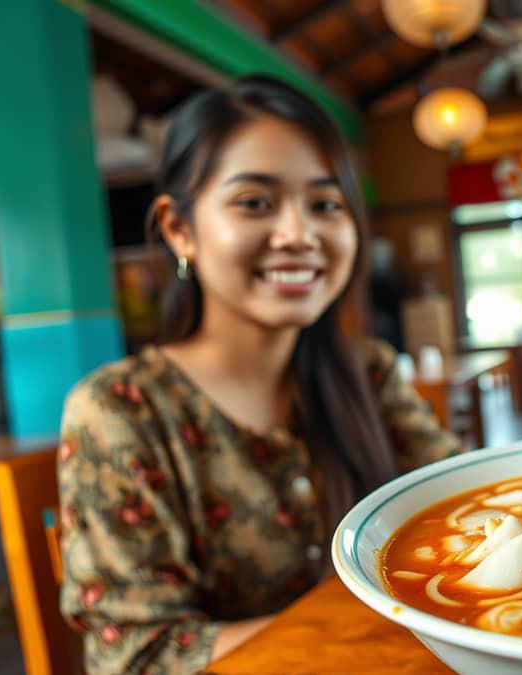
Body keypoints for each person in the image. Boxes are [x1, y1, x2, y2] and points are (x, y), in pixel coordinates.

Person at [57, 75, 462, 674]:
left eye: (325, 204)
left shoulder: (367, 372)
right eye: (255, 202)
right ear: (179, 229)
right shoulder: (122, 408)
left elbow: (464, 511)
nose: (299, 235)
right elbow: (140, 656)